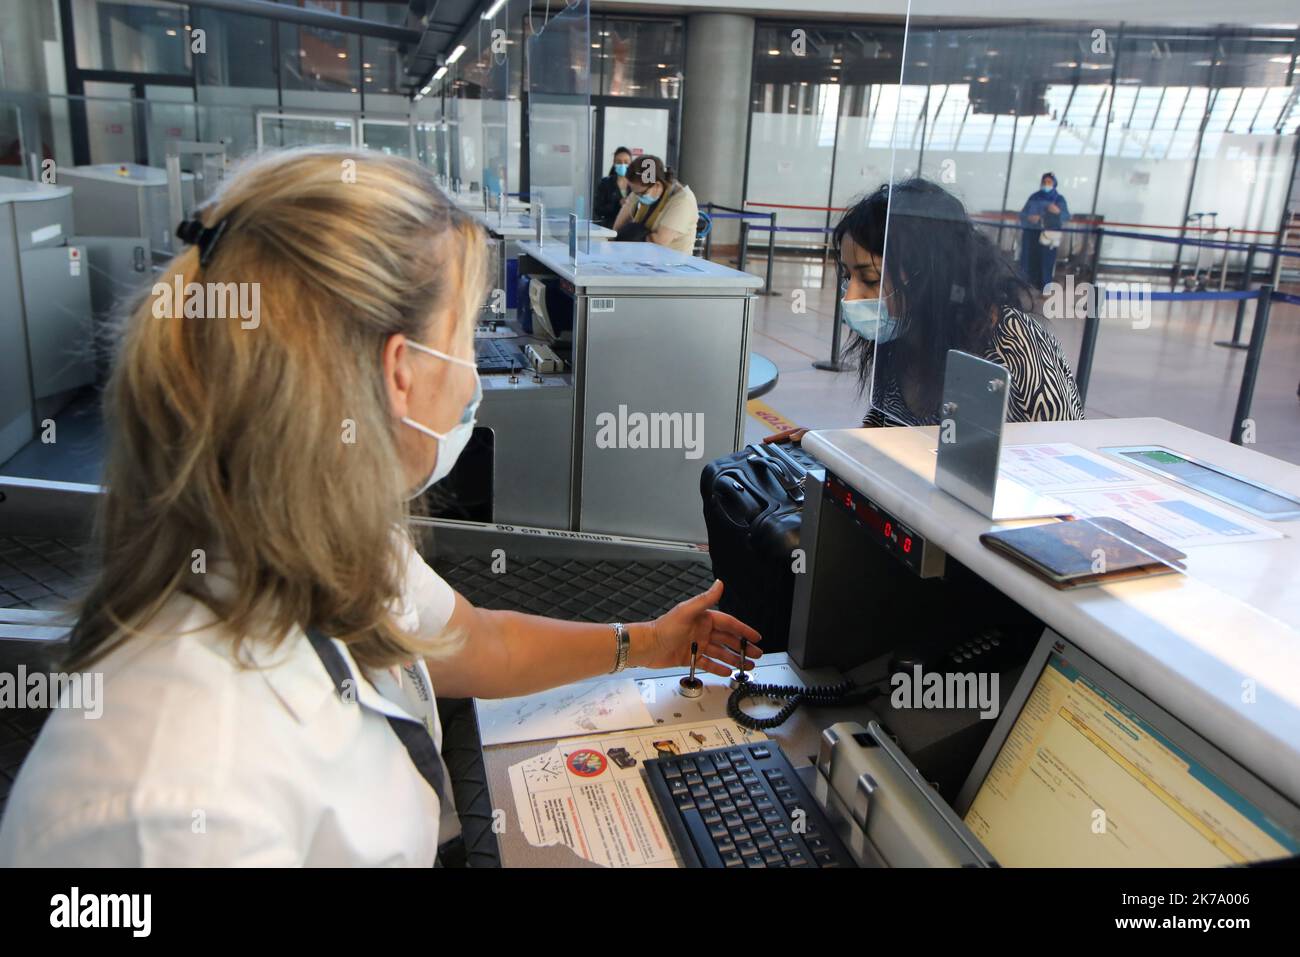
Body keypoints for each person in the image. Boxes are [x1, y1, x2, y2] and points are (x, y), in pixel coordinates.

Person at [0, 148, 760, 867]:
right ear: (402, 371)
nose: (471, 377)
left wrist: (647, 642)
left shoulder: (318, 535)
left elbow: (472, 640)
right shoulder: (168, 802)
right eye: (463, 338)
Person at [767, 177, 1082, 443]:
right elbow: (883, 433)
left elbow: (1060, 465)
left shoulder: (1014, 345)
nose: (849, 296)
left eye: (869, 278)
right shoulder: (904, 337)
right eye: (849, 277)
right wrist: (827, 449)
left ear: (928, 276)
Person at [612, 155, 699, 255]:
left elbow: (659, 241)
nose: (636, 196)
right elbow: (616, 229)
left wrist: (631, 235)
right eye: (633, 192)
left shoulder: (682, 200)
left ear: (657, 185)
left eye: (640, 194)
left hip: (671, 265)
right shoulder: (641, 189)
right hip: (643, 260)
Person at [1018, 171, 1070, 293]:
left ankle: (1045, 287)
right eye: (1044, 182)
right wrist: (1029, 218)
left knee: (1046, 261)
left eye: (1049, 182)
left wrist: (1057, 212)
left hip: (1049, 235)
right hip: (1031, 234)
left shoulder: (1059, 199)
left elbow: (1066, 216)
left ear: (1054, 184)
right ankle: (1027, 285)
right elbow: (1023, 214)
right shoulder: (1034, 197)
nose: (1046, 184)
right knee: (1029, 259)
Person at [594, 146, 632, 229]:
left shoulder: (636, 184)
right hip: (609, 228)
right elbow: (598, 209)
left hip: (630, 229)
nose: (622, 165)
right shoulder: (605, 183)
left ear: (631, 164)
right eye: (619, 162)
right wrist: (617, 204)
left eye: (626, 162)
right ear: (614, 163)